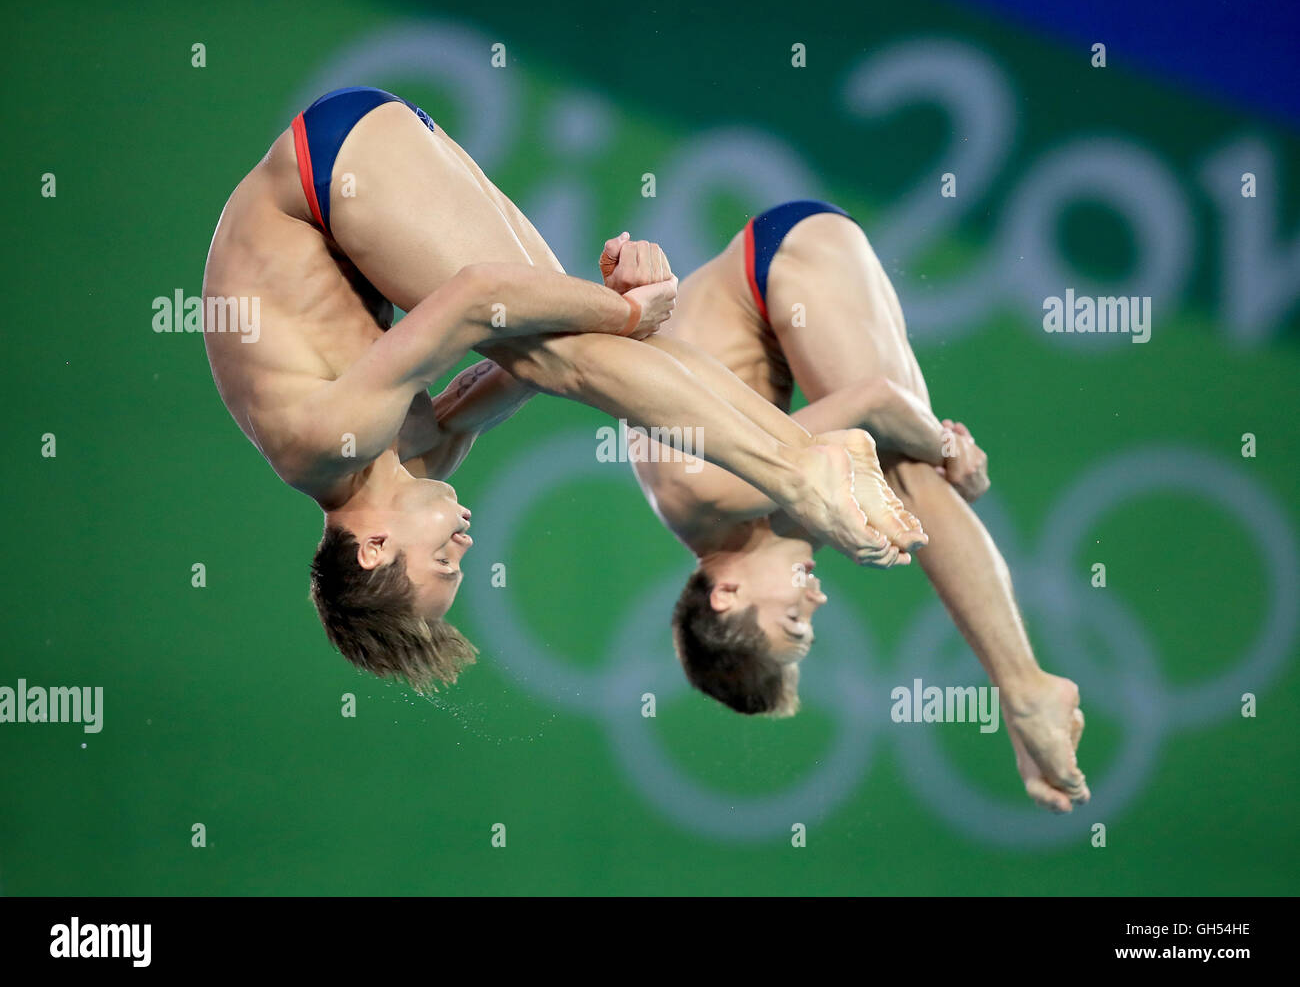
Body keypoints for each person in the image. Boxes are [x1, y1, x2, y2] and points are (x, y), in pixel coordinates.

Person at [202, 90, 922, 694]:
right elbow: (519, 365)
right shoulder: (420, 454)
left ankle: (798, 469)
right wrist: (619, 314)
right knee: (585, 352)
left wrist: (625, 310)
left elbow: (479, 299)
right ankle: (802, 453)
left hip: (331, 170)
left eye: (445, 561)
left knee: (576, 350)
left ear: (373, 547)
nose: (466, 543)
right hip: (361, 158)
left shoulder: (320, 444)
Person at [629, 201, 1089, 813]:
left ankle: (1026, 691)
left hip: (779, 261)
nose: (815, 603)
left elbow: (878, 401)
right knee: (903, 479)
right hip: (772, 277)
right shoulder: (752, 532)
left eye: (793, 622)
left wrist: (949, 451)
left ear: (725, 595)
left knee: (907, 471)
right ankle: (1022, 691)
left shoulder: (712, 493)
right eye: (811, 625)